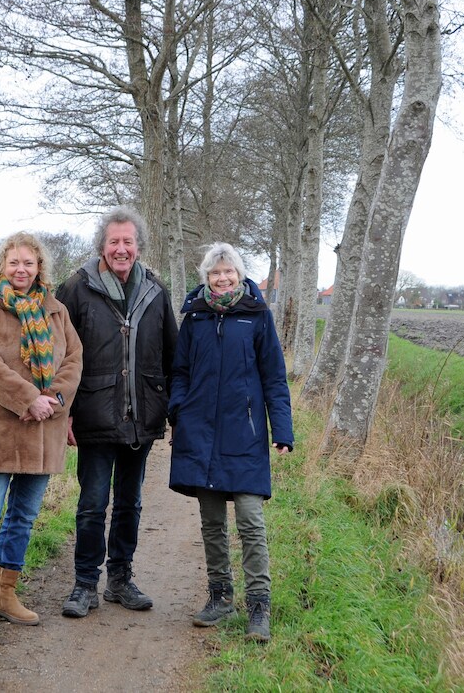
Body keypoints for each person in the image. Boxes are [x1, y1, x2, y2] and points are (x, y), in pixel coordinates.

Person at [0, 232, 83, 646]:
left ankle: (5, 594)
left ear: (39, 267)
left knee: (22, 518)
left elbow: (73, 360)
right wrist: (30, 398)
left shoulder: (56, 311)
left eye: (29, 263)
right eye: (14, 263)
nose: (21, 270)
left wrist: (55, 398)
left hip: (43, 434)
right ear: (2, 267)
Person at [167, 242, 294, 642]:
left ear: (240, 276)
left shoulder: (258, 317)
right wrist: (178, 410)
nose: (222, 279)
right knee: (211, 523)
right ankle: (220, 597)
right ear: (206, 277)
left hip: (246, 434)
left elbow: (274, 377)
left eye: (229, 272)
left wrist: (282, 430)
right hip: (201, 433)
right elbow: (180, 372)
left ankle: (259, 606)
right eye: (215, 273)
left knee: (251, 522)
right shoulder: (195, 319)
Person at [55, 206, 178, 618]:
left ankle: (121, 580)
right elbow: (58, 356)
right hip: (93, 414)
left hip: (142, 416)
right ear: (101, 247)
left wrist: (174, 412)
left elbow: (172, 355)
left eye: (128, 241)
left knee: (130, 502)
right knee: (92, 502)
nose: (121, 249)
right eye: (114, 242)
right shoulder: (75, 288)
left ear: (138, 246)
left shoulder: (156, 291)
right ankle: (84, 584)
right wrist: (64, 411)